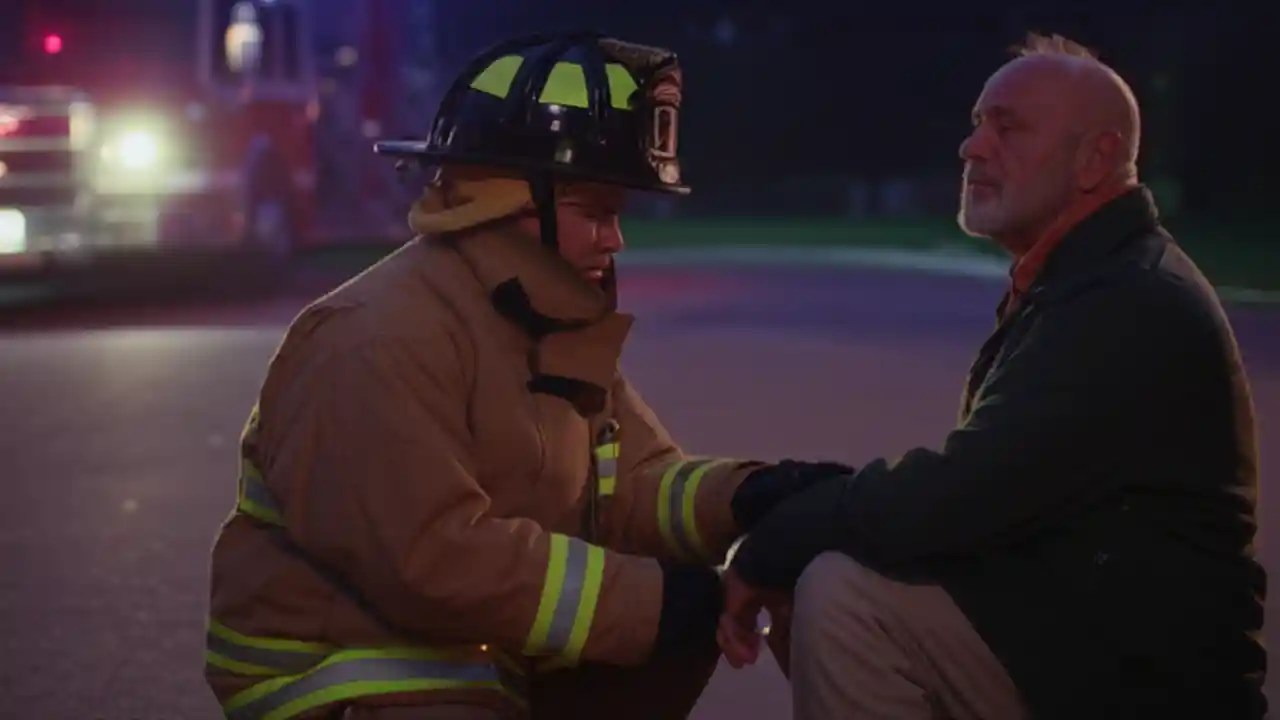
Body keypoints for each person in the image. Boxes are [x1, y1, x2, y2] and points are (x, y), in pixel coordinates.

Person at [200, 31, 844, 720]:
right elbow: (432, 561)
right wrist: (663, 602)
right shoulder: (372, 337)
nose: (615, 239)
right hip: (345, 674)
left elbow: (631, 488)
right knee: (660, 620)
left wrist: (751, 496)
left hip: (462, 654)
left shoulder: (534, 318)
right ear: (510, 201)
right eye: (594, 212)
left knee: (667, 631)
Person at [717, 32, 1267, 719]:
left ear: (1095, 159)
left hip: (1143, 688)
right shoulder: (1090, 280)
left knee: (843, 593)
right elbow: (988, 501)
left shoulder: (1129, 303)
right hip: (1092, 651)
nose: (972, 148)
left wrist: (779, 538)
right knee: (848, 576)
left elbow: (964, 492)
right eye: (978, 125)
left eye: (1008, 127)